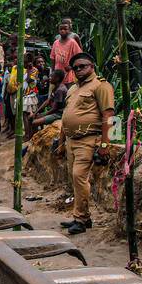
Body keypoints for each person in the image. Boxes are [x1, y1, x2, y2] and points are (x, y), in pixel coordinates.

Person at [56, 53, 115, 235]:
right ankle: (82, 216)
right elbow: (66, 116)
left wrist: (106, 145)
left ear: (92, 66)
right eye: (76, 67)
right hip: (71, 140)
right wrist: (60, 141)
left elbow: (110, 115)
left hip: (88, 138)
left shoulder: (101, 86)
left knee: (79, 176)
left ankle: (80, 220)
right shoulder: (73, 89)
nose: (79, 70)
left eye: (83, 66)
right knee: (74, 178)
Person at [50, 19, 85, 84]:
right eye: (61, 29)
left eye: (65, 29)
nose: (63, 31)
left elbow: (80, 55)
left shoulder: (73, 40)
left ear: (69, 30)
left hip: (69, 75)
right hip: (58, 75)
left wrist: (71, 66)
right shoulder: (56, 42)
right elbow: (52, 58)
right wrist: (52, 71)